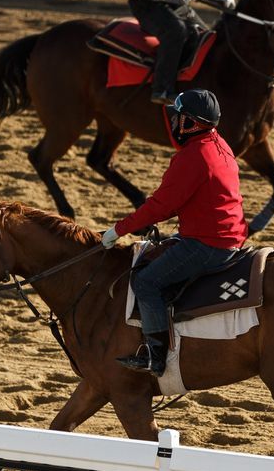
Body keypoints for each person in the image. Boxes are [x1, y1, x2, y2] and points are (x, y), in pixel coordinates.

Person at [101, 89, 248, 374]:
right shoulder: (220, 145)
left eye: (178, 116)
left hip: (208, 244)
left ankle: (156, 357)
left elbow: (160, 206)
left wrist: (118, 230)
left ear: (189, 123)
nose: (173, 121)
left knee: (145, 283)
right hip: (227, 235)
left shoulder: (192, 157)